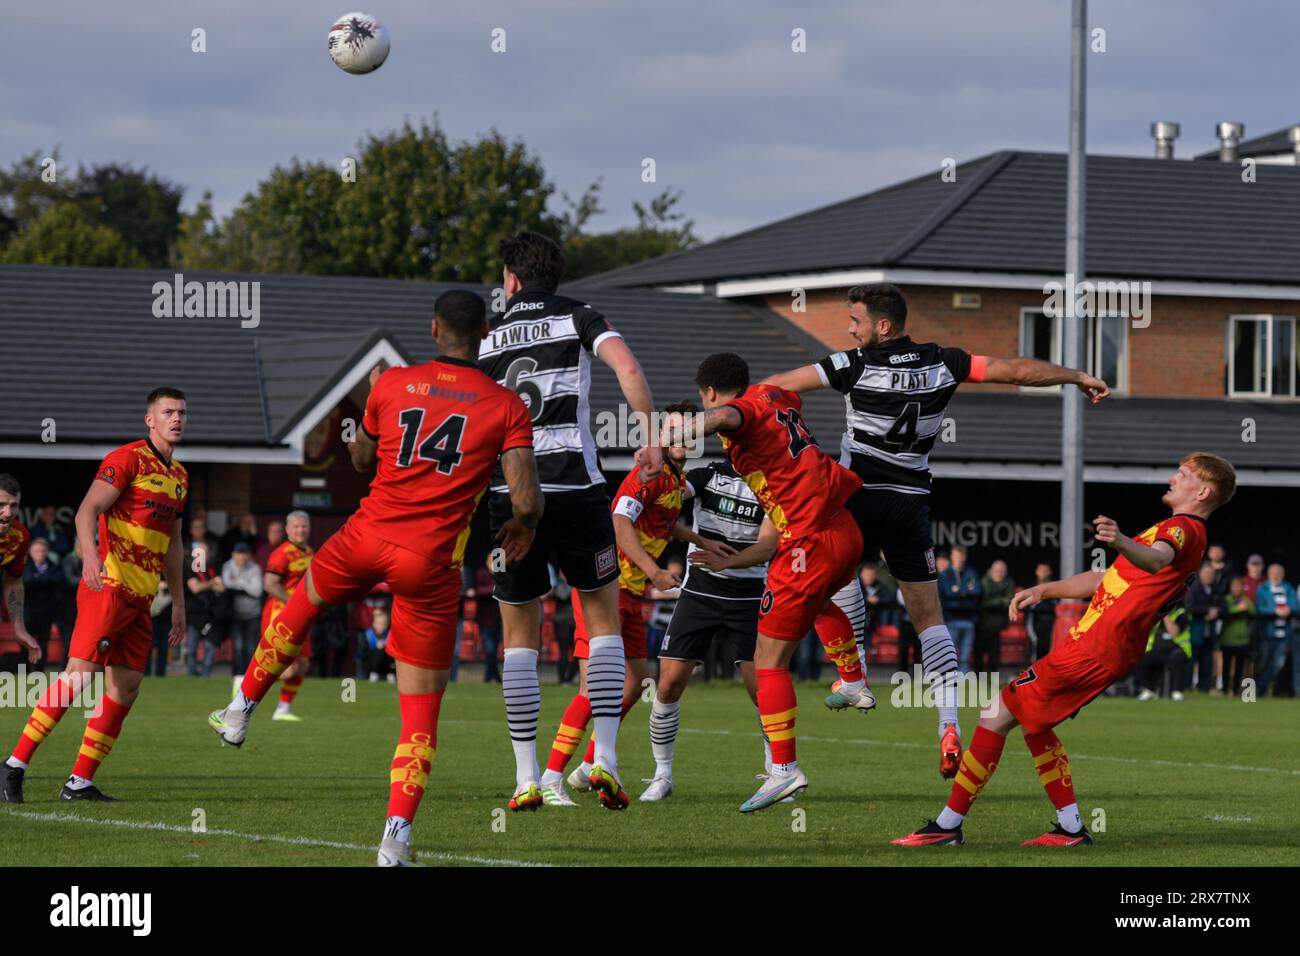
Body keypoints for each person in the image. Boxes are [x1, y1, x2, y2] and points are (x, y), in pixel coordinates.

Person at [208, 289, 542, 867]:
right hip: (430, 561)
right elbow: (529, 500)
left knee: (304, 602)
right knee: (419, 715)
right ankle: (395, 837)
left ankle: (241, 707)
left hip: (367, 536)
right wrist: (523, 526)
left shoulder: (391, 384)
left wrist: (370, 433)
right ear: (485, 332)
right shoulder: (506, 405)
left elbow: (361, 461)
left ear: (434, 329)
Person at [762, 282, 1109, 777]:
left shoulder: (852, 365)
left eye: (855, 320)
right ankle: (949, 727)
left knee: (826, 579)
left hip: (856, 497)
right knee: (930, 619)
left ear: (882, 326)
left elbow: (778, 386)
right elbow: (1015, 370)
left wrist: (730, 410)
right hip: (911, 504)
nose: (849, 328)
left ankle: (853, 673)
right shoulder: (944, 361)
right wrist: (1075, 375)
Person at [893, 452, 1233, 847]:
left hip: (1096, 648)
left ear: (1204, 491)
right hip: (1096, 646)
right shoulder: (1174, 530)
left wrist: (1120, 539)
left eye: (1184, 474)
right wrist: (1044, 590)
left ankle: (948, 825)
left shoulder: (1183, 529)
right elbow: (1106, 577)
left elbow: (1156, 561)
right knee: (1034, 723)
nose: (1174, 477)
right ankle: (1069, 828)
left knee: (997, 711)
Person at [477, 231, 661, 812]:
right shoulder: (580, 315)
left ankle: (527, 776)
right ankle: (604, 758)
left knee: (519, 637)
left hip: (509, 494)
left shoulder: (489, 341)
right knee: (603, 623)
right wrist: (651, 437)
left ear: (510, 279)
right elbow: (627, 366)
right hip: (577, 487)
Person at [670, 352, 873, 811]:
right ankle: (853, 678)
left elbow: (727, 415)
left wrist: (676, 433)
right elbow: (786, 392)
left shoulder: (735, 412)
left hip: (808, 542)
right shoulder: (773, 395)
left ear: (707, 392)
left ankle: (783, 770)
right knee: (819, 605)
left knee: (768, 662)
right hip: (844, 528)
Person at [3, 388, 188, 804]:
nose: (176, 418)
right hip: (108, 589)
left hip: (141, 601)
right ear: (150, 420)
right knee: (78, 678)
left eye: (181, 412)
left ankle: (79, 782)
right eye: (168, 412)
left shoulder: (180, 477)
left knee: (126, 689)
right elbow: (87, 510)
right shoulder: (126, 459)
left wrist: (178, 602)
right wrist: (90, 557)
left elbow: (174, 545)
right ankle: (14, 766)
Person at [536, 402, 699, 807]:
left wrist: (701, 541)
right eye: (675, 431)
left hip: (630, 592)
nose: (683, 439)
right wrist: (656, 571)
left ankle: (589, 765)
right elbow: (619, 522)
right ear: (661, 436)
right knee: (595, 689)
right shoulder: (651, 473)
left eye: (689, 432)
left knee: (635, 683)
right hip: (603, 588)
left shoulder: (676, 481)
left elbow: (662, 522)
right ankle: (549, 777)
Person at [639, 459, 779, 802]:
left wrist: (726, 561)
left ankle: (777, 773)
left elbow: (768, 545)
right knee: (668, 684)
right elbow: (661, 508)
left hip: (749, 596)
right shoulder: (706, 475)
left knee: (763, 692)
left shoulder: (772, 481)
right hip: (699, 592)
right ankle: (662, 775)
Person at [259, 511, 313, 716]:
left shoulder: (309, 552)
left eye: (304, 526)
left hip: (302, 616)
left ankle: (283, 709)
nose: (301, 530)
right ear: (288, 529)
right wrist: (295, 604)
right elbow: (270, 585)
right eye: (296, 526)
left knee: (304, 663)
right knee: (286, 669)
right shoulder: (281, 553)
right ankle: (244, 683)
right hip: (280, 615)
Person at [0, 474, 43, 670]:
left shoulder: (20, 537)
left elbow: (13, 582)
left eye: (13, 506)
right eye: (1, 504)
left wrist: (19, 629)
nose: (7, 513)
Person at [1253, 563, 1298, 697]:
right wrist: (1275, 611)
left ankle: (1260, 689)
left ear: (1282, 575)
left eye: (1279, 573)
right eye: (1273, 573)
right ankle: (1256, 690)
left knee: (1279, 664)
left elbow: (1295, 605)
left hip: (1284, 634)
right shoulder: (1263, 589)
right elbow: (1260, 608)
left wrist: (1289, 610)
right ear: (1268, 574)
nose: (1276, 575)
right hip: (1267, 633)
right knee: (1262, 663)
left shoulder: (1288, 588)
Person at [222, 540, 263, 684]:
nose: (242, 557)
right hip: (236, 615)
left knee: (251, 648)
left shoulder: (255, 568)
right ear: (233, 555)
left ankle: (250, 680)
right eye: (239, 554)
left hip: (252, 614)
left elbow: (257, 591)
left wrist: (239, 583)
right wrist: (246, 585)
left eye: (244, 554)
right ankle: (237, 678)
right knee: (237, 648)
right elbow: (226, 584)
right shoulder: (227, 566)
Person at [184, 540, 226, 678]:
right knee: (192, 648)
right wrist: (212, 583)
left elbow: (221, 587)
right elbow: (195, 588)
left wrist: (207, 584)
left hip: (209, 615)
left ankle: (205, 676)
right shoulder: (189, 570)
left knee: (210, 647)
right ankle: (192, 675)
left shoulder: (211, 569)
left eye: (204, 552)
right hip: (193, 615)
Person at [938, 546, 981, 672]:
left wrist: (958, 591)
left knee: (965, 656)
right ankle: (948, 680)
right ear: (952, 557)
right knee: (950, 655)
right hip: (951, 619)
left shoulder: (971, 572)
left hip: (968, 620)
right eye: (956, 556)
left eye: (961, 556)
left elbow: (977, 591)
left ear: (965, 557)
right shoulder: (945, 574)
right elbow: (947, 593)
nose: (959, 559)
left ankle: (962, 681)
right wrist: (966, 592)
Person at [22, 539, 65, 661]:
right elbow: (27, 582)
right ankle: (26, 669)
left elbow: (58, 581)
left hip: (47, 612)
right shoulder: (25, 566)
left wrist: (38, 579)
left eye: (42, 550)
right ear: (30, 552)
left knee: (43, 642)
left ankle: (40, 669)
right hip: (28, 611)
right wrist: (45, 580)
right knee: (27, 642)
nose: (40, 553)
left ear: (47, 552)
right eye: (36, 551)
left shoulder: (53, 566)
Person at [1136, 606, 1191, 701]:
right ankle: (1149, 689)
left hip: (1177, 649)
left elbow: (1174, 632)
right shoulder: (1157, 615)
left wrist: (1165, 616)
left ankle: (1177, 691)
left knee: (1176, 658)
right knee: (1141, 659)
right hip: (1158, 650)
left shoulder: (1181, 614)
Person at [1184, 562, 1223, 692]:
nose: (1208, 576)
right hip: (1195, 631)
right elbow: (1190, 606)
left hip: (1210, 633)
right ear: (1200, 574)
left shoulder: (1216, 589)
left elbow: (1224, 606)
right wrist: (1206, 612)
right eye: (1206, 573)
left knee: (1207, 662)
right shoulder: (1194, 588)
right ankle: (1187, 686)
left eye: (1211, 574)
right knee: (1191, 661)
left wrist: (1216, 612)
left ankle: (1204, 687)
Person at [975, 560, 1015, 675]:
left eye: (1002, 571)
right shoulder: (984, 581)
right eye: (997, 571)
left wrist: (995, 601)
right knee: (979, 653)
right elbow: (984, 602)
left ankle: (992, 681)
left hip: (998, 625)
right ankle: (979, 679)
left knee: (994, 655)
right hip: (983, 624)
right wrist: (1002, 600)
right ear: (991, 571)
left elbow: (1010, 600)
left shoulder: (1009, 582)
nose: (1000, 573)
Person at [1219, 577, 1254, 697]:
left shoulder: (1246, 600)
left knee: (1240, 667)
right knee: (1226, 667)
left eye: (1239, 586)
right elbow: (1224, 613)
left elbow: (1253, 612)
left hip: (1242, 640)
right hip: (1227, 639)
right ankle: (1224, 689)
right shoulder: (1226, 599)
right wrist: (1238, 609)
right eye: (1234, 586)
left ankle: (1235, 690)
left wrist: (1244, 609)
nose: (1237, 589)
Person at [549, 567, 577, 684]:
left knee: (577, 653)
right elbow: (563, 595)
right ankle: (562, 679)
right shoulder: (560, 586)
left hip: (574, 622)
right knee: (564, 652)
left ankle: (569, 677)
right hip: (562, 622)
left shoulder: (573, 584)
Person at [1025, 562, 1058, 660]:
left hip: (1052, 626)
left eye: (1046, 571)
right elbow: (1027, 613)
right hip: (1036, 626)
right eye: (1041, 570)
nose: (1043, 573)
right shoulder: (1030, 589)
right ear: (1036, 572)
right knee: (1036, 652)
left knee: (1051, 654)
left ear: (1050, 572)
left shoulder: (1057, 589)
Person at [145, 580, 173, 677]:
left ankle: (160, 673)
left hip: (165, 614)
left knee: (163, 645)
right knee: (149, 645)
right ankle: (146, 672)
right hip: (151, 612)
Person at [364, 607, 393, 681]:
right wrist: (376, 647)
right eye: (379, 624)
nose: (381, 626)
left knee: (390, 652)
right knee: (380, 651)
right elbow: (364, 653)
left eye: (383, 624)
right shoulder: (368, 634)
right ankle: (374, 673)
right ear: (374, 624)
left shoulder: (389, 635)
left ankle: (390, 673)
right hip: (371, 662)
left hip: (386, 662)